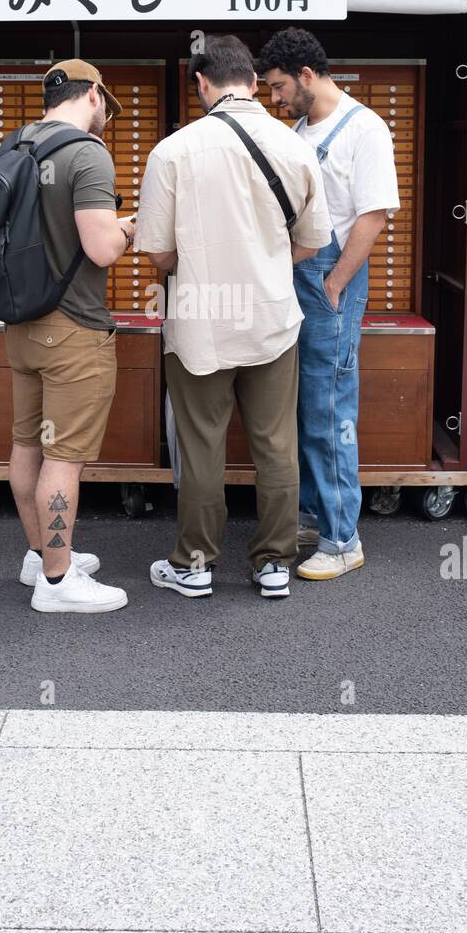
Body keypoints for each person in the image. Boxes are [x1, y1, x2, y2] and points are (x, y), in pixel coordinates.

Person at [134, 34, 332, 600]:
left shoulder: (172, 151)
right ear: (251, 78)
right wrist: (267, 263)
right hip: (272, 316)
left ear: (201, 82)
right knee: (276, 443)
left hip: (199, 319)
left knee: (201, 444)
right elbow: (312, 243)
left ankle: (194, 565)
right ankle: (274, 564)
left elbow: (159, 252)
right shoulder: (294, 148)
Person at [256, 27, 400, 580]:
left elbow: (374, 215)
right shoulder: (296, 129)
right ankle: (316, 518)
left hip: (330, 284)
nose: (274, 97)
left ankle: (343, 539)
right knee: (299, 408)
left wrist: (337, 283)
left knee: (329, 409)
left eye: (277, 86)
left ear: (307, 76)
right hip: (297, 281)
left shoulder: (364, 129)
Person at [5, 59, 137, 614]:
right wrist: (129, 227)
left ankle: (40, 555)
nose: (107, 115)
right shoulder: (86, 154)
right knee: (64, 458)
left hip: (22, 325)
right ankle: (57, 584)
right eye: (107, 104)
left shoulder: (15, 145)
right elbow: (101, 249)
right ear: (94, 95)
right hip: (74, 328)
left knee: (27, 443)